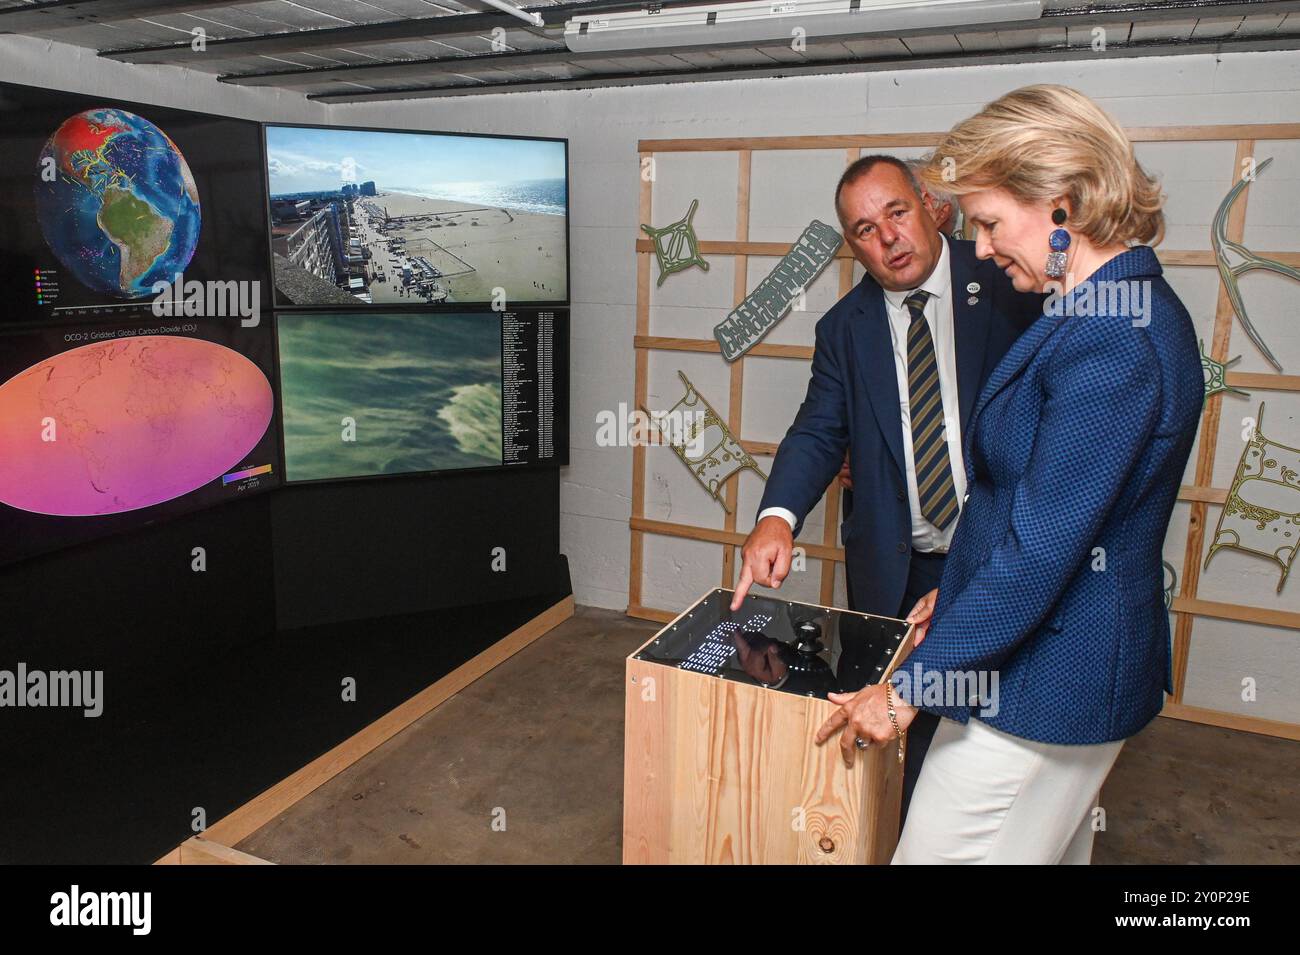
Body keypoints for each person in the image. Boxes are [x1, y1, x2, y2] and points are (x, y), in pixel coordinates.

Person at [813, 84, 1203, 864]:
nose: (981, 248)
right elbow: (1028, 505)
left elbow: (1040, 552)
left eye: (990, 222)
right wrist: (951, 590)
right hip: (1030, 668)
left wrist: (903, 694)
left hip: (1048, 684)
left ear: (1062, 204)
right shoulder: (1097, 308)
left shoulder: (1112, 341)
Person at [730, 154, 1042, 830]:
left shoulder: (1009, 280)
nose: (888, 238)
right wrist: (777, 518)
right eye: (865, 230)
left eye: (897, 213)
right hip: (896, 571)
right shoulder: (844, 328)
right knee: (901, 736)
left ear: (929, 204)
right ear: (852, 244)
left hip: (1002, 559)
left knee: (1001, 737)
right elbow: (818, 429)